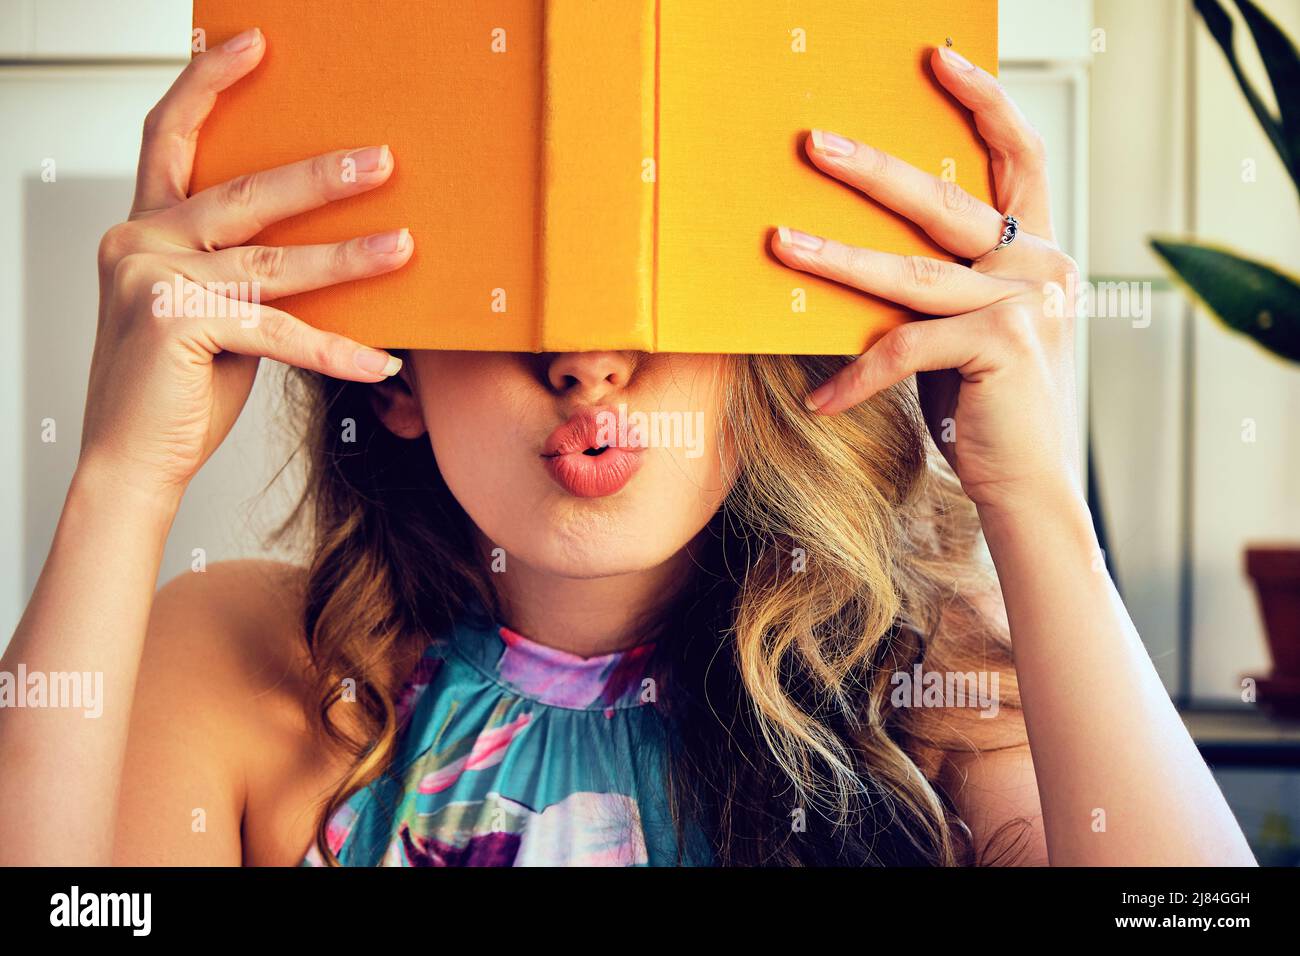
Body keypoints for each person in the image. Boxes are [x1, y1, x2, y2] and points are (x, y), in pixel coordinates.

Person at [0, 27, 1255, 866]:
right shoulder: (238, 660)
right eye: (506, 285)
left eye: (657, 275)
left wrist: (1036, 502)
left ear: (773, 342)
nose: (589, 360)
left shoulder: (937, 691)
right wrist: (121, 481)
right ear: (392, 376)